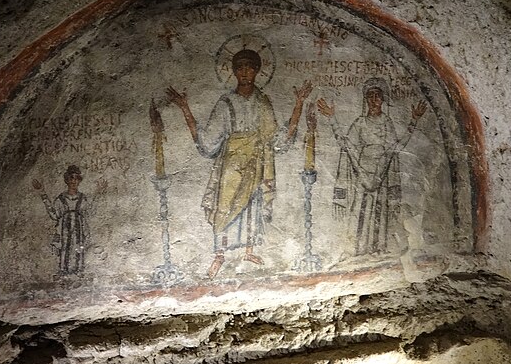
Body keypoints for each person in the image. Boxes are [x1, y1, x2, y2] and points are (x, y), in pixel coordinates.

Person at [166, 49, 313, 278]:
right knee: (225, 206)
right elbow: (208, 139)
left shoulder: (263, 102)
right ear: (234, 72)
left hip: (256, 162)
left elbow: (275, 138)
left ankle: (248, 250)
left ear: (257, 70)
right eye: (240, 67)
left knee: (252, 206)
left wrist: (298, 105)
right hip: (232, 164)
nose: (245, 72)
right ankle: (219, 255)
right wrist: (185, 108)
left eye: (250, 67)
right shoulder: (226, 103)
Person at [318, 78, 427, 256]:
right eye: (370, 96)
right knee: (360, 212)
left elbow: (396, 148)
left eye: (378, 96)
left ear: (383, 99)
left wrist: (413, 121)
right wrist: (332, 119)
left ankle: (378, 249)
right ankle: (358, 250)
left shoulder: (386, 123)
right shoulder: (360, 123)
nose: (374, 99)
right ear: (366, 99)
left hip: (381, 173)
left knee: (379, 212)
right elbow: (346, 144)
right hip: (362, 172)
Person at [32, 165, 104, 276]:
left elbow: (90, 212)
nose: (73, 181)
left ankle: (79, 270)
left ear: (79, 180)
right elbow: (54, 215)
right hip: (64, 227)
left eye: (76, 178)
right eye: (71, 178)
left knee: (79, 245)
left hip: (79, 226)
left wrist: (98, 193)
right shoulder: (61, 198)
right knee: (65, 247)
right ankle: (63, 270)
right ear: (66, 180)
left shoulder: (82, 198)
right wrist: (42, 193)